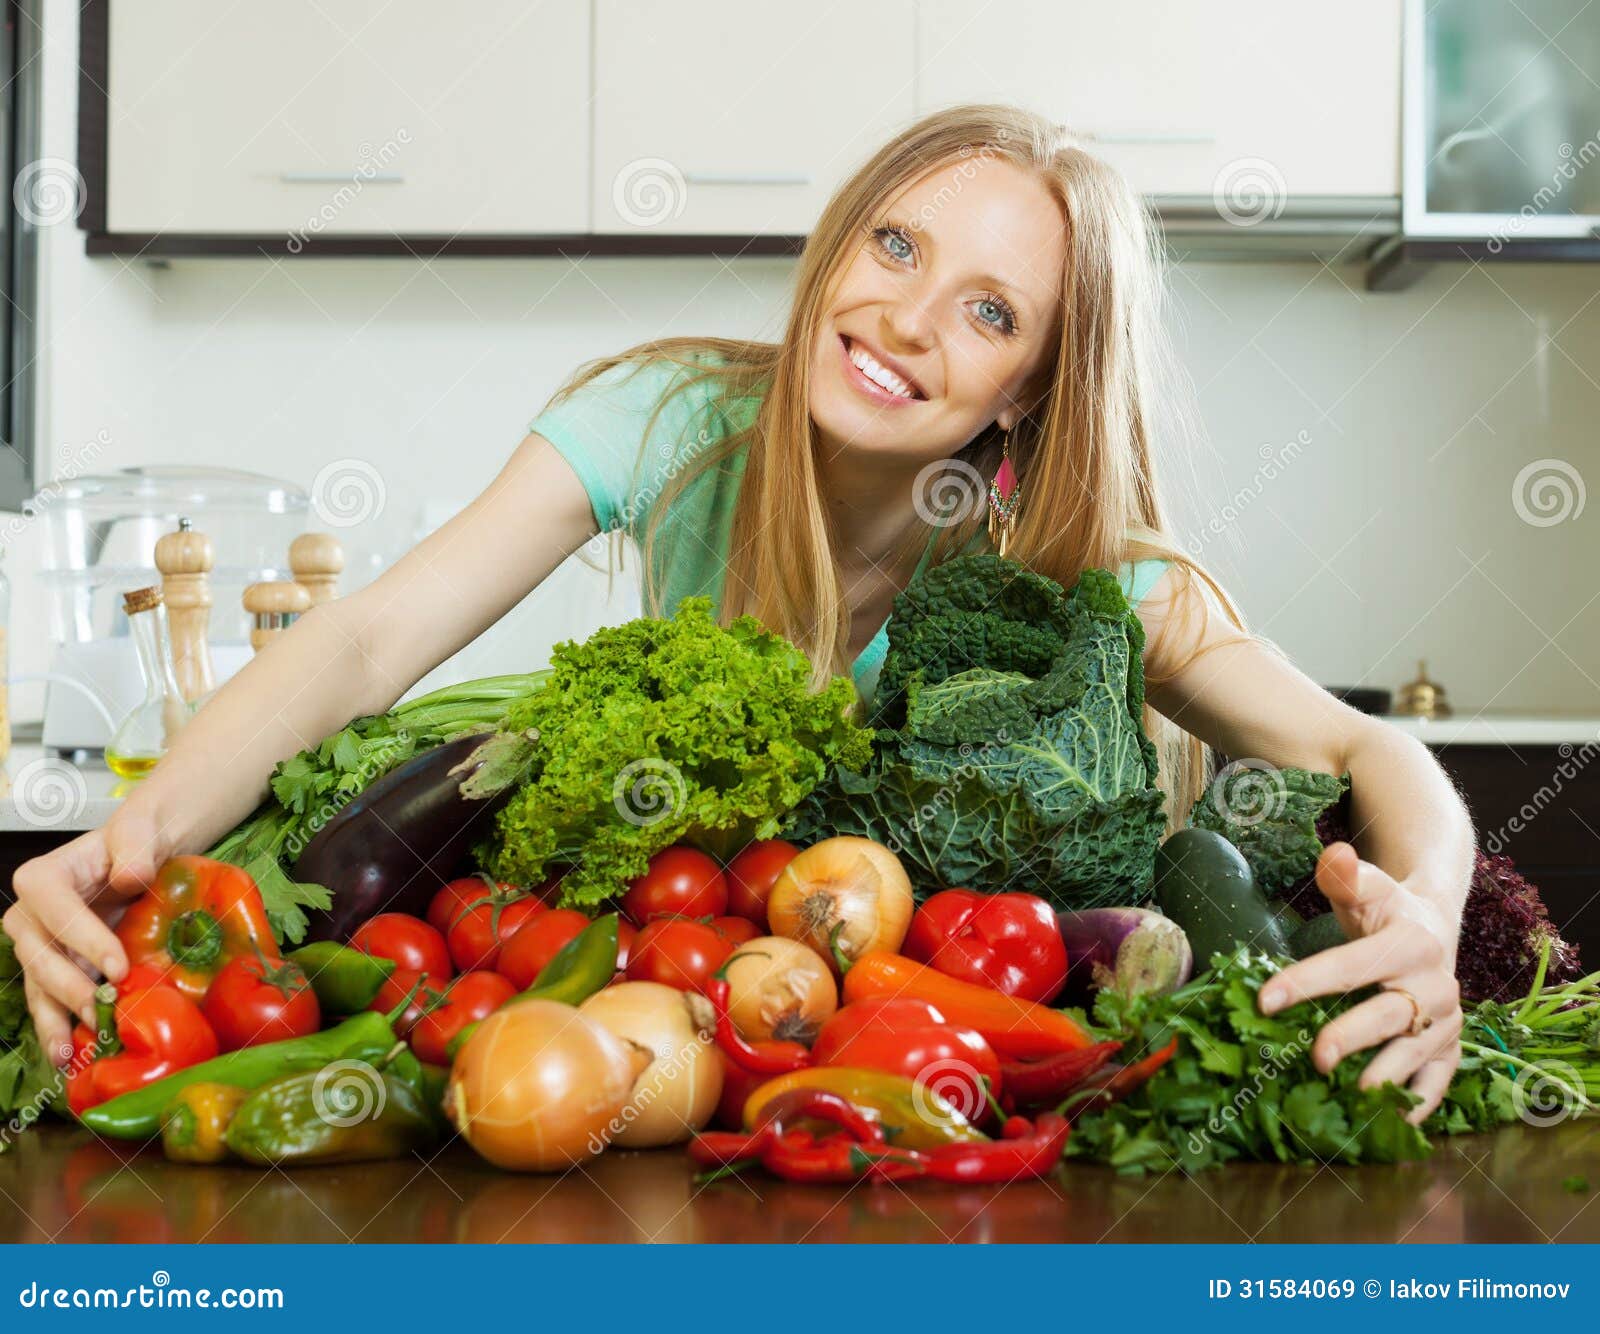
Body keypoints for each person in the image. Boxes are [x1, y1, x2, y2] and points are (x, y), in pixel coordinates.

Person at [5, 104, 1470, 1121]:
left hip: (955, 1078)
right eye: (895, 247)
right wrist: (128, 845)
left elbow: (1376, 754)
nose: (906, 317)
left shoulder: (1083, 572)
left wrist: (1432, 919)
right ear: (837, 244)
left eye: (989, 310)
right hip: (717, 1040)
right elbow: (370, 639)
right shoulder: (673, 424)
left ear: (1028, 384)